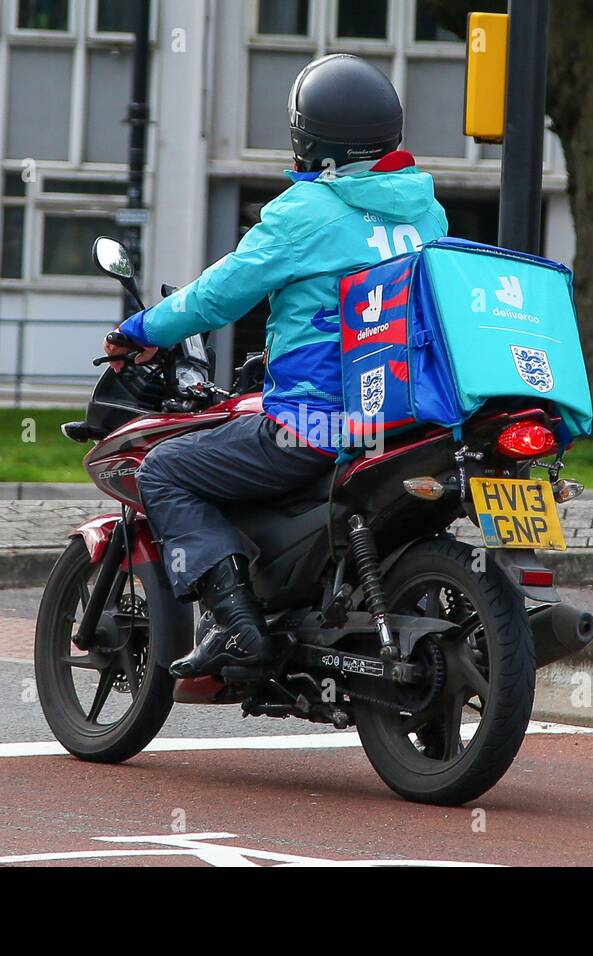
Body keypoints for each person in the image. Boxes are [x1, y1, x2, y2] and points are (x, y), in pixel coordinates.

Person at [104, 53, 448, 679]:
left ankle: (238, 627)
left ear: (306, 138)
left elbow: (218, 296)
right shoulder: (426, 211)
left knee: (165, 470)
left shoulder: (304, 212)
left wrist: (140, 330)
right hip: (402, 416)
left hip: (317, 424)